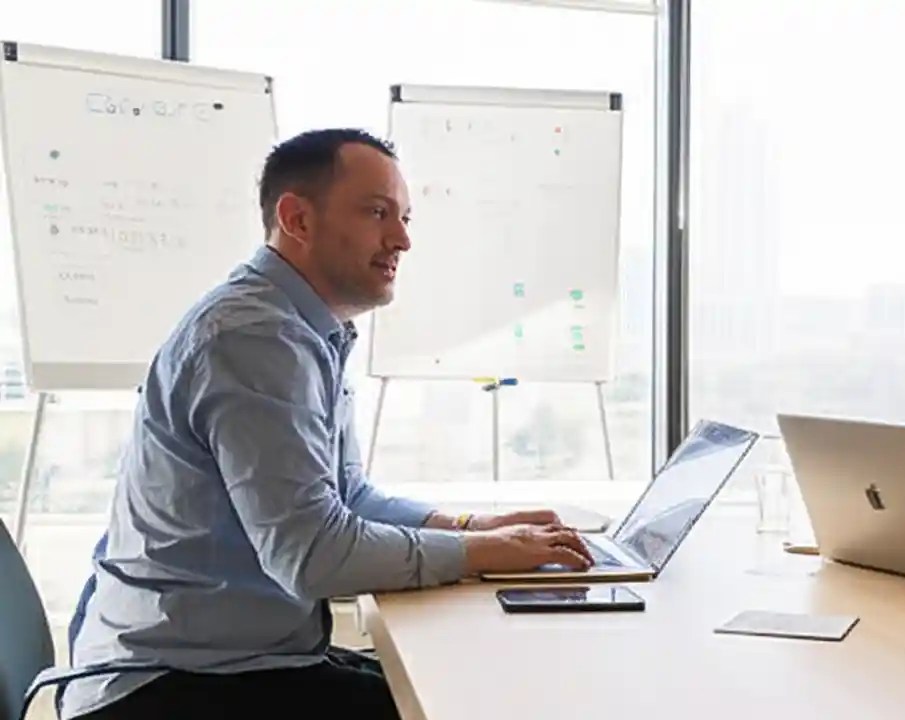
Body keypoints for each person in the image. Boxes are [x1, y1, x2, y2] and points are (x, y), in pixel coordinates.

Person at [62, 128, 593, 720]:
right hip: (165, 684)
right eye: (377, 213)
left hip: (233, 660)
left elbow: (346, 497)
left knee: (458, 684)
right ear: (297, 219)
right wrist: (478, 551)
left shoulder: (301, 329)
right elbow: (312, 554)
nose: (403, 239)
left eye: (404, 217)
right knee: (468, 704)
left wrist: (472, 527)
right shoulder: (254, 337)